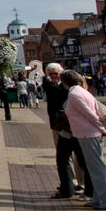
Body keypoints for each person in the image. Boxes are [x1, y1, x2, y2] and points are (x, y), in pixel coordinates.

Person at [62, 70, 106, 210]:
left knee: (97, 168)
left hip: (89, 134)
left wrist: (103, 129)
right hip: (87, 133)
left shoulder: (74, 94)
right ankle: (99, 198)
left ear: (65, 82)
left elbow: (90, 114)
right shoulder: (82, 91)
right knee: (94, 168)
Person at [43, 62, 87, 196]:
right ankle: (70, 182)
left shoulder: (66, 87)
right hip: (57, 124)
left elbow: (55, 93)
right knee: (63, 156)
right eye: (50, 74)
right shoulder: (54, 86)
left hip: (70, 125)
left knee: (77, 156)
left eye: (56, 73)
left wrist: (46, 80)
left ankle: (82, 183)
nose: (53, 76)